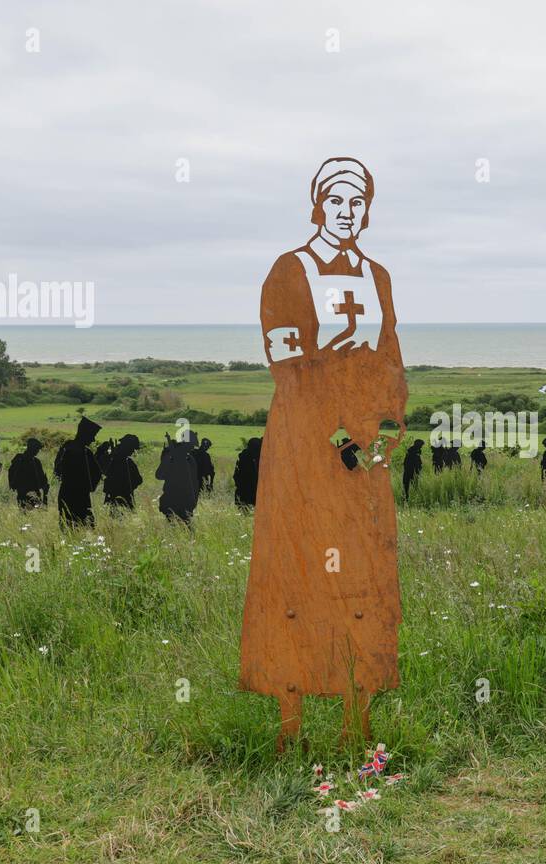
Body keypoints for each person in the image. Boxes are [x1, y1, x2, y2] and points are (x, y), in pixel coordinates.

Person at [241, 157, 408, 751]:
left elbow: (389, 355)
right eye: (335, 200)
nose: (346, 212)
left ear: (368, 209)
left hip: (364, 448)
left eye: (357, 201)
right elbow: (290, 367)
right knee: (299, 573)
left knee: (361, 574)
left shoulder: (378, 274)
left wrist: (387, 426)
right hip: (304, 445)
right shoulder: (290, 271)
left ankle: (356, 723)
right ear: (318, 205)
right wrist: (335, 437)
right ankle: (290, 726)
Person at [55, 416, 103, 527]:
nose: (93, 440)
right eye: (92, 436)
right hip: (78, 496)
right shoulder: (84, 452)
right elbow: (97, 472)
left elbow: (57, 470)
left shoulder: (68, 448)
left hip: (70, 495)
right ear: (85, 434)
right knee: (83, 527)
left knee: (70, 527)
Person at [157, 431, 200, 523]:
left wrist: (194, 501)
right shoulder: (171, 457)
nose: (192, 448)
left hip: (187, 503)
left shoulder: (190, 459)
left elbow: (194, 482)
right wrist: (170, 458)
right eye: (191, 445)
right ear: (185, 444)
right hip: (172, 502)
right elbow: (159, 475)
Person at [103, 434, 143, 509]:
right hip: (122, 497)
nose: (132, 451)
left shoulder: (123, 461)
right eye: (132, 449)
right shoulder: (125, 462)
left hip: (120, 497)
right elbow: (138, 480)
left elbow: (138, 480)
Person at [8, 438, 50, 509]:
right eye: (37, 449)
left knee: (28, 514)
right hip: (26, 492)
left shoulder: (34, 461)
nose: (38, 451)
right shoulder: (22, 459)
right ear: (31, 448)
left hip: (28, 493)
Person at [233, 437, 262, 510]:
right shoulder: (248, 458)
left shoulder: (244, 457)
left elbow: (236, 475)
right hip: (247, 491)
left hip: (244, 491)